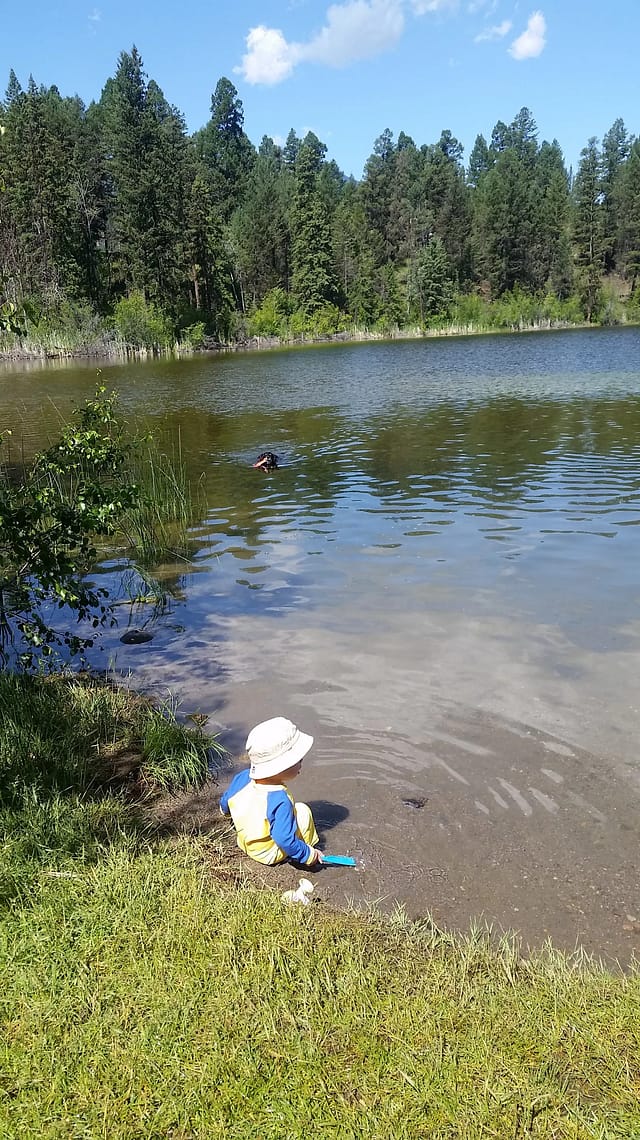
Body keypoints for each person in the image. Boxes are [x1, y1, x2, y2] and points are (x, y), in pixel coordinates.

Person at [220, 716, 323, 867]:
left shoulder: (242, 778)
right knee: (302, 811)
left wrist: (227, 814)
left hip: (245, 843)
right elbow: (283, 838)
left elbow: (225, 803)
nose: (302, 763)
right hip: (268, 854)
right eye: (299, 760)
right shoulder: (279, 798)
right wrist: (308, 855)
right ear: (282, 766)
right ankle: (308, 851)